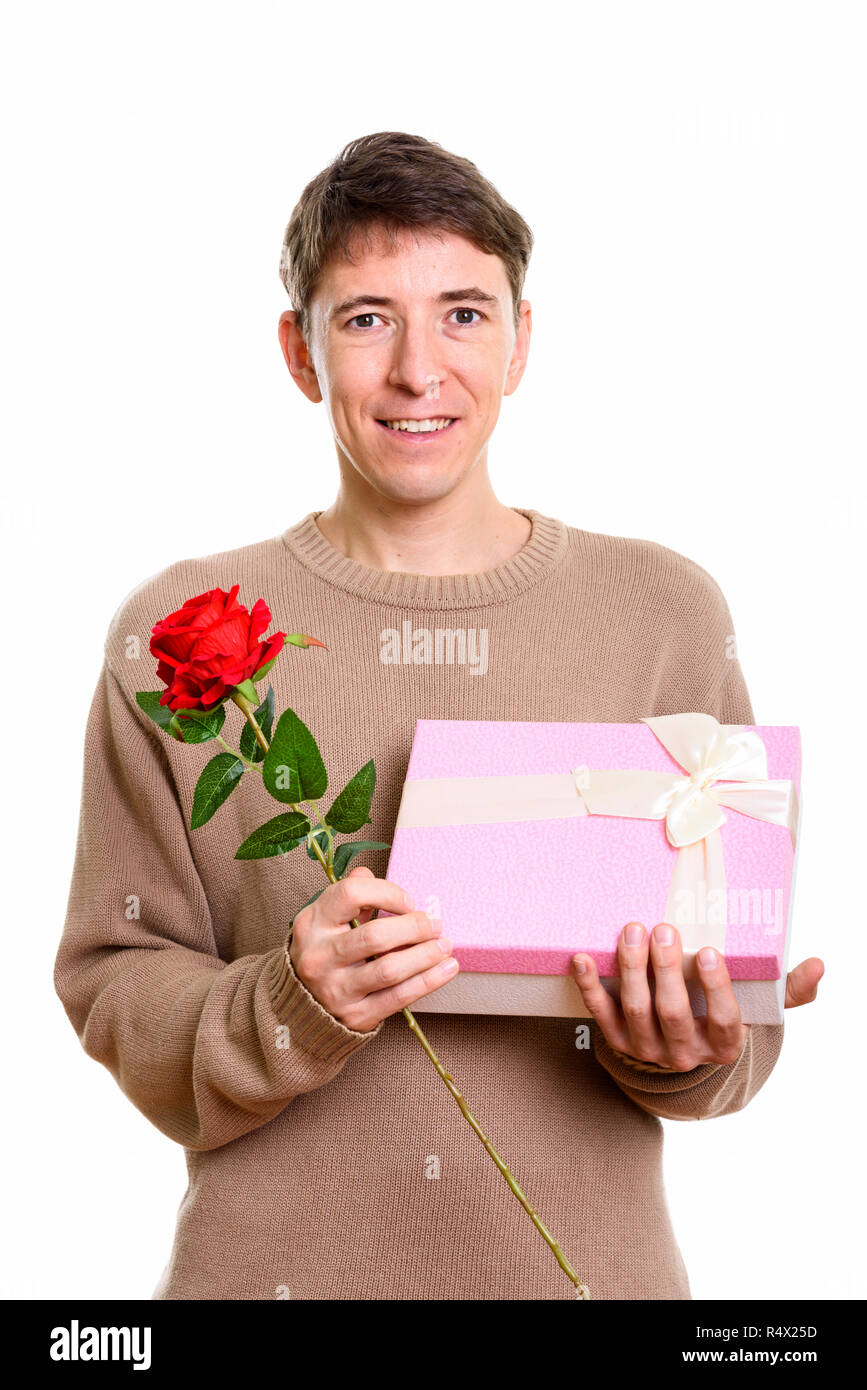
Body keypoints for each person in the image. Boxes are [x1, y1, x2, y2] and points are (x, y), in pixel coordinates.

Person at [54, 130, 822, 1301]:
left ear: (522, 343)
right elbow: (115, 980)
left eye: (464, 312)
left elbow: (735, 1031)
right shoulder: (175, 631)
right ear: (299, 354)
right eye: (367, 318)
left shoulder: (665, 610)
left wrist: (695, 1045)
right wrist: (287, 1002)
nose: (420, 369)